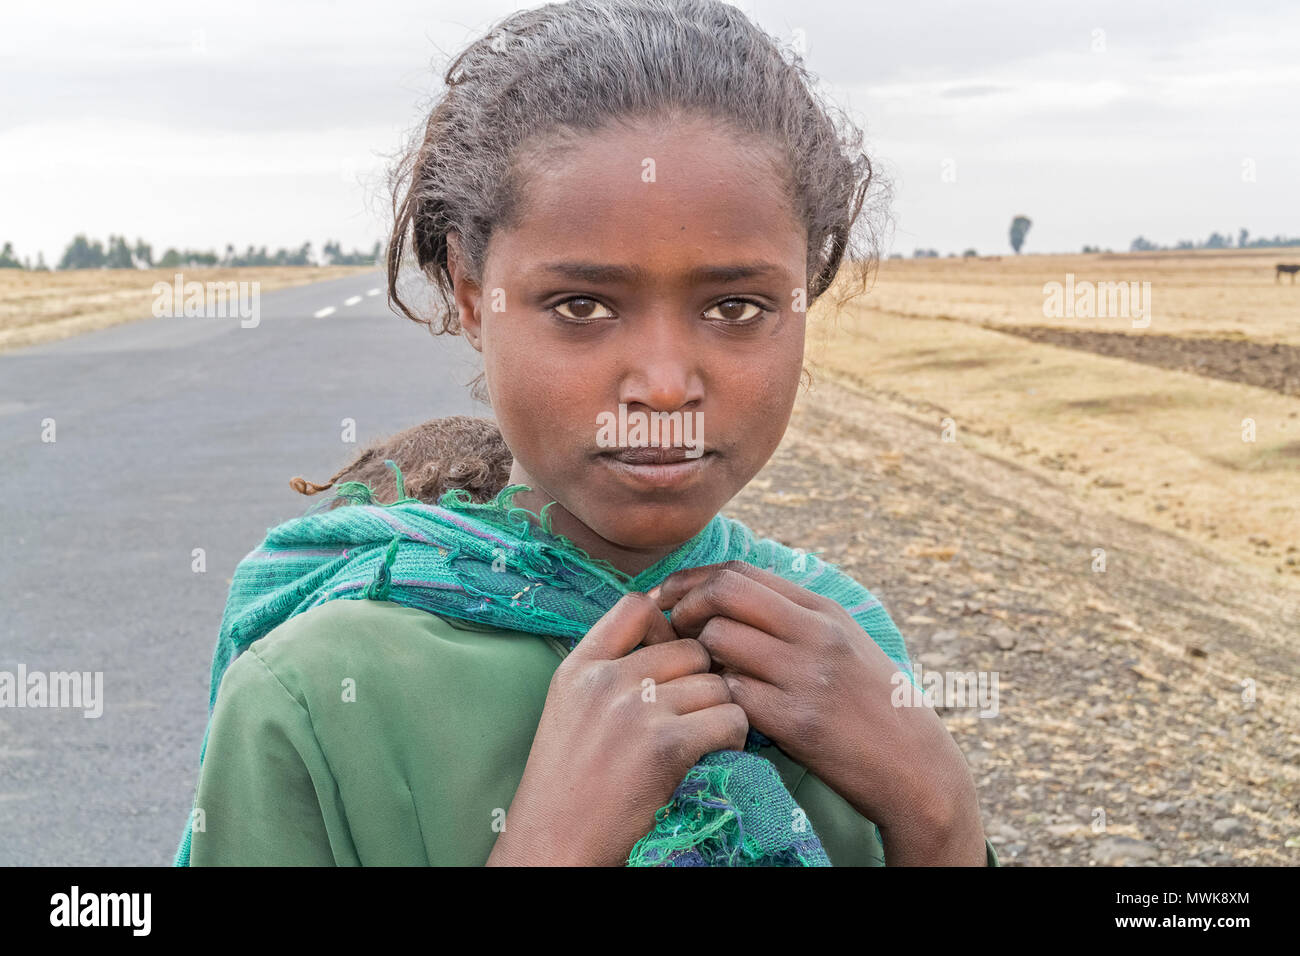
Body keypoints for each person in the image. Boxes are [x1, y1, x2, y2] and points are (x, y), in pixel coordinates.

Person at [175, 0, 998, 866]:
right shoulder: (317, 691)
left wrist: (941, 817)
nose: (666, 385)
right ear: (468, 295)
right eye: (582, 306)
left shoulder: (846, 653)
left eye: (736, 306)